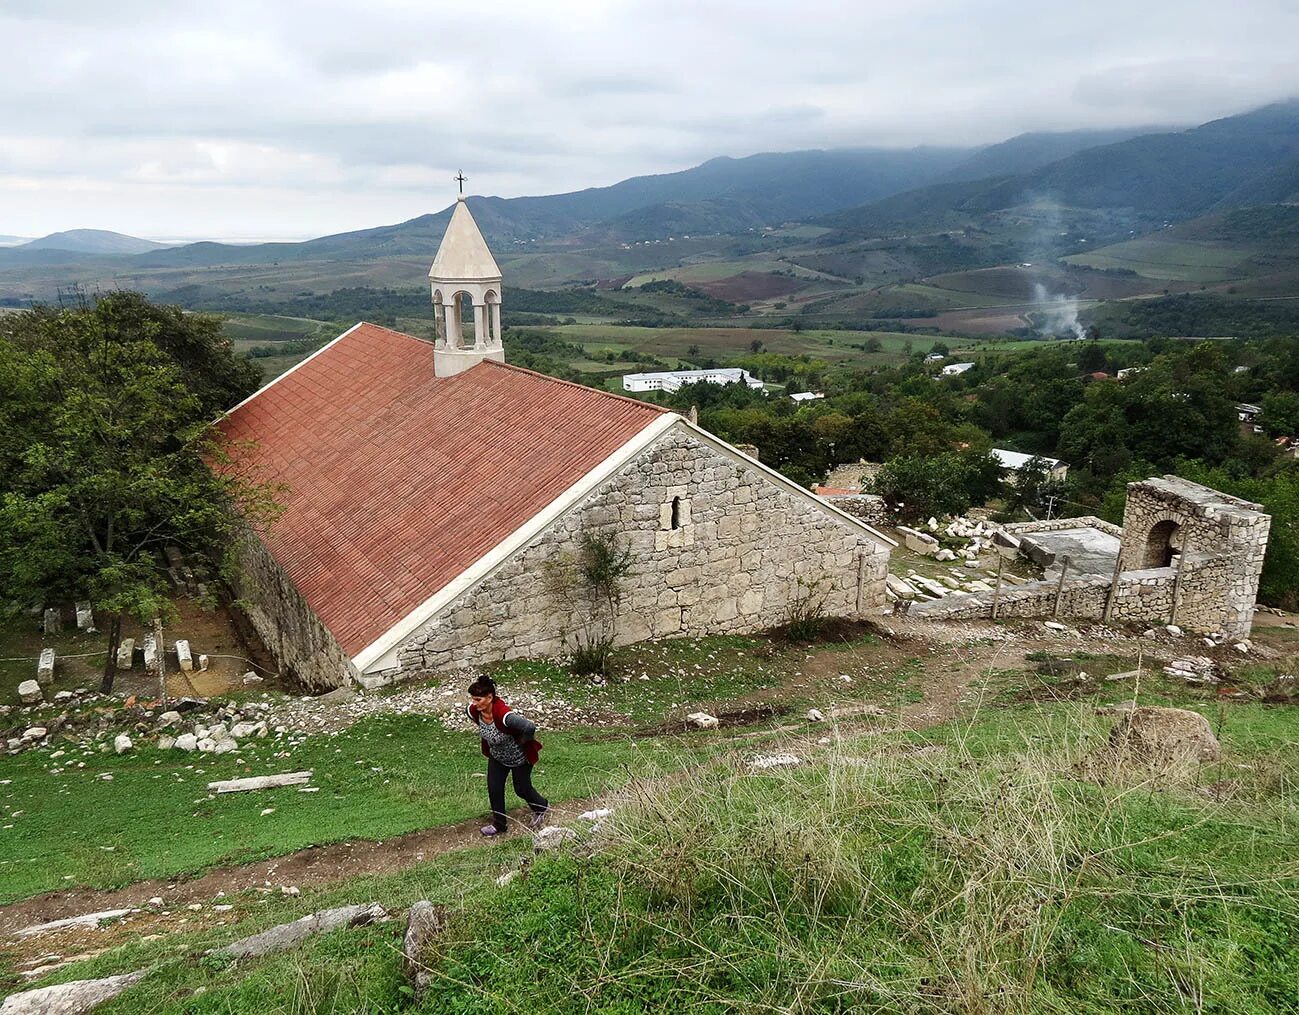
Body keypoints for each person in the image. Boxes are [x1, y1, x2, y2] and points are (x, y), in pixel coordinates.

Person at [466, 675, 548, 836]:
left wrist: (522, 743)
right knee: (494, 789)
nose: (474, 704)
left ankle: (541, 807)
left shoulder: (505, 716)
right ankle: (499, 825)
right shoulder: (474, 712)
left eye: (477, 700)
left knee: (522, 789)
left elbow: (529, 727)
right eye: (472, 699)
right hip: (497, 757)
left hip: (519, 758)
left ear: (489, 697)